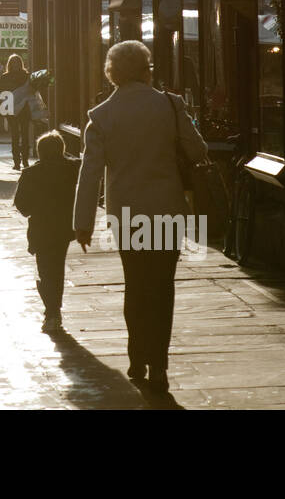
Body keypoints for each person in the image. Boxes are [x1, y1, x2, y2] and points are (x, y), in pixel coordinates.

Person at [73, 39, 208, 393]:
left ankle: (137, 356)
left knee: (135, 285)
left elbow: (89, 175)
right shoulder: (170, 105)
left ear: (111, 72)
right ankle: (159, 366)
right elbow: (198, 150)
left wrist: (83, 223)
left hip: (127, 215)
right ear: (147, 68)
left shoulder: (100, 117)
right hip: (167, 210)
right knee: (162, 288)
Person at [14, 131, 79, 332]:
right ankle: (53, 311)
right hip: (63, 228)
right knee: (57, 268)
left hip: (41, 229)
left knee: (46, 270)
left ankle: (51, 312)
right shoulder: (73, 168)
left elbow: (22, 205)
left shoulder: (31, 173)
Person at [0, 54, 32, 170]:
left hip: (17, 108)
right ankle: (19, 161)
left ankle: (22, 160)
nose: (15, 65)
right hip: (19, 108)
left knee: (20, 135)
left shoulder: (5, 77)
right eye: (14, 63)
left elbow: (1, 93)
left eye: (17, 63)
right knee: (18, 135)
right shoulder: (26, 76)